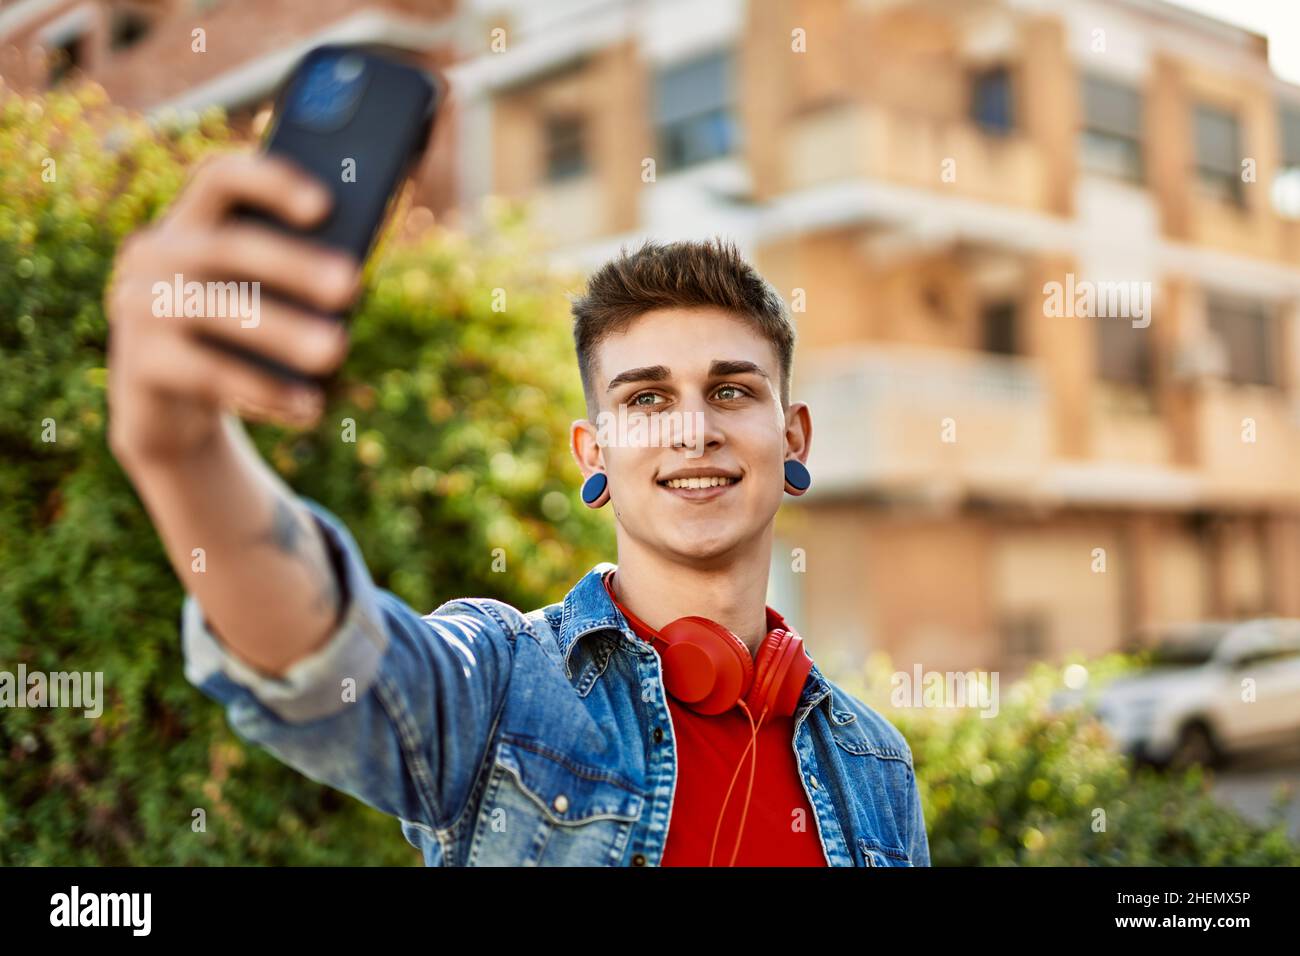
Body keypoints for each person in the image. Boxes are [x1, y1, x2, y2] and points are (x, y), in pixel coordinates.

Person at [106, 151, 930, 867]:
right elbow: (334, 666)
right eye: (646, 399)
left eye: (730, 390)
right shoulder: (505, 683)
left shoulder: (875, 765)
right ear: (592, 452)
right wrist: (182, 449)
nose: (694, 431)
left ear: (792, 439)